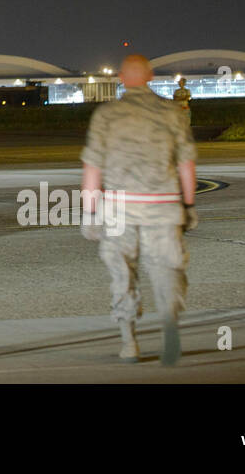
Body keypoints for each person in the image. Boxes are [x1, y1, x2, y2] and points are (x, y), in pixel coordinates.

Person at [81, 54, 198, 366]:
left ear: (121, 78)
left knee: (122, 274)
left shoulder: (106, 115)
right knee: (168, 271)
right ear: (151, 76)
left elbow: (92, 169)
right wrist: (188, 205)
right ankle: (170, 329)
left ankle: (128, 341)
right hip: (162, 207)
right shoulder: (173, 112)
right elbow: (186, 163)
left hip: (119, 209)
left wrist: (91, 213)